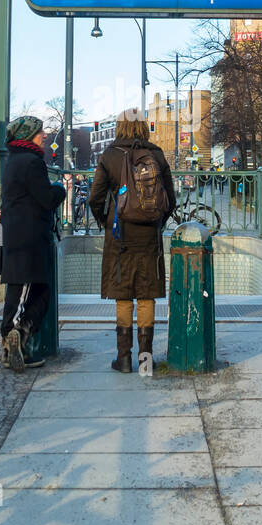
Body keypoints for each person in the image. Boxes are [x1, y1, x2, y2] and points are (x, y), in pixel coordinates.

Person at [89, 111, 177, 372]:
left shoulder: (110, 155)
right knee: (147, 295)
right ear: (142, 127)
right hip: (149, 236)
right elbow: (170, 200)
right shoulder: (157, 154)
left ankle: (124, 358)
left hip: (120, 235)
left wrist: (106, 219)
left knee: (123, 294)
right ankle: (146, 359)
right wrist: (156, 222)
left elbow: (95, 197)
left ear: (121, 126)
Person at [0, 115, 66, 372]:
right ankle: (15, 335)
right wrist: (61, 188)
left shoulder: (15, 160)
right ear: (29, 135)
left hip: (17, 235)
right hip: (28, 238)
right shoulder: (30, 162)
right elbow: (47, 198)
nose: (44, 135)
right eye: (40, 132)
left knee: (25, 290)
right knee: (29, 291)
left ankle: (13, 344)